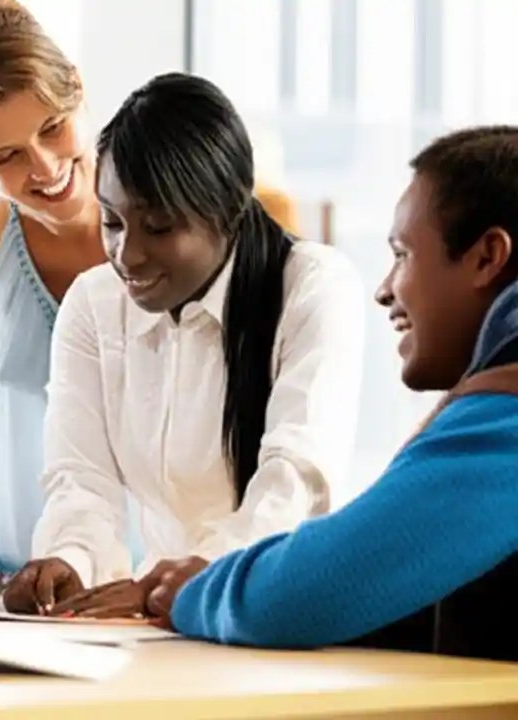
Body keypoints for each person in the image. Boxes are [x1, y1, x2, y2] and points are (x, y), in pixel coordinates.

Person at [0, 0, 305, 605]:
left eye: (52, 127)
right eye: (7, 156)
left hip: (182, 587)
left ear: (79, 92)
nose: (44, 168)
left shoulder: (209, 236)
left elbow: (287, 454)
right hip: (24, 593)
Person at [2, 72, 365, 618]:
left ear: (228, 211)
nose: (127, 254)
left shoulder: (313, 286)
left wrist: (174, 583)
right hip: (165, 626)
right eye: (113, 222)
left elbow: (293, 486)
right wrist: (67, 560)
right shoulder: (94, 305)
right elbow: (81, 479)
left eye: (160, 227)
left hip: (276, 612)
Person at [159, 126, 518, 662]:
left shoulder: (505, 419)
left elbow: (297, 597)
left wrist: (196, 591)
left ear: (487, 257)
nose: (384, 289)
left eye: (403, 254)